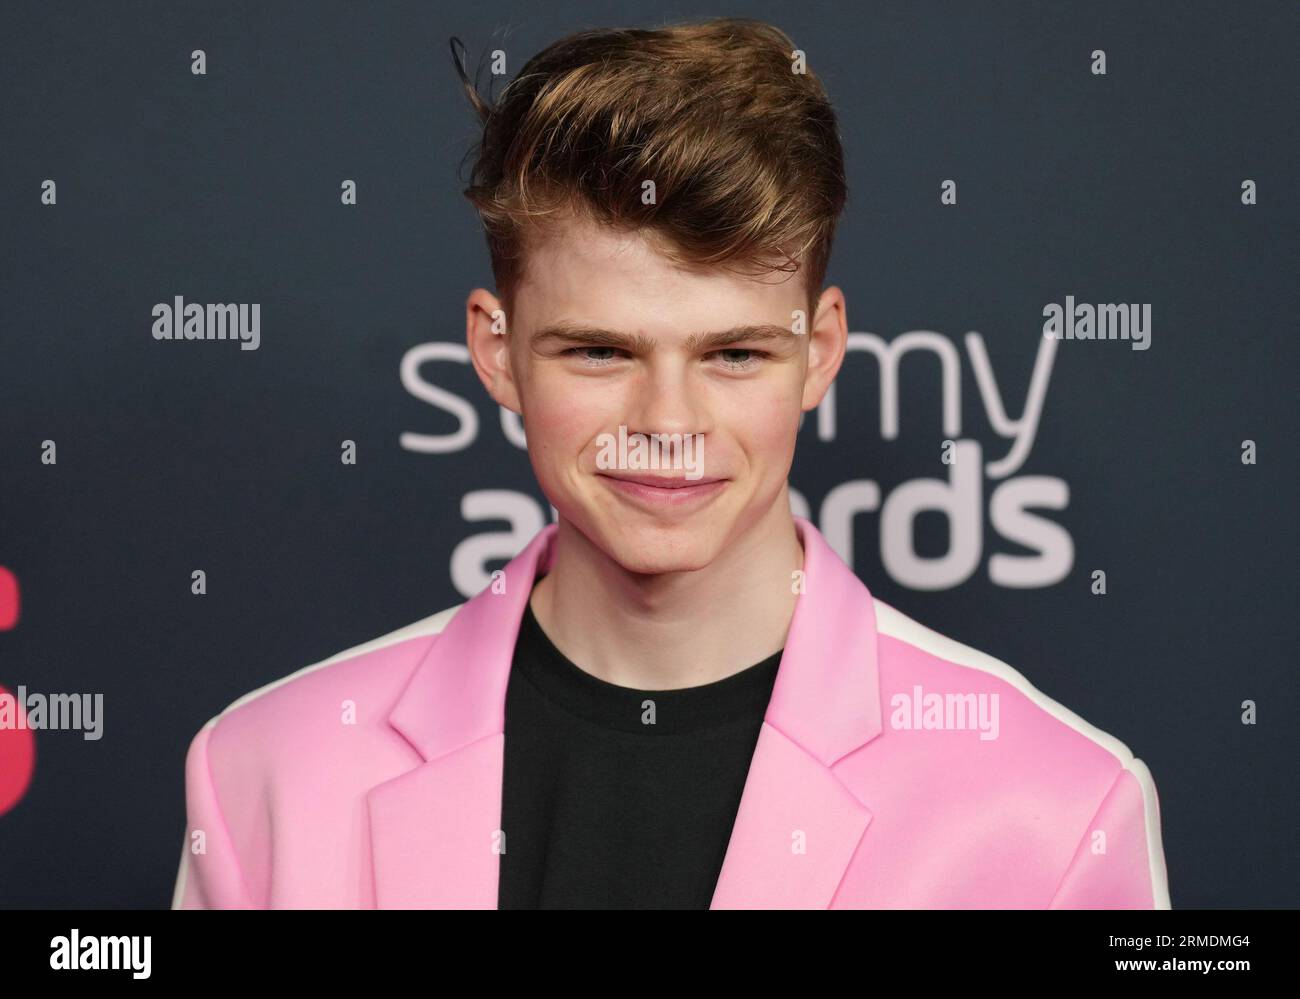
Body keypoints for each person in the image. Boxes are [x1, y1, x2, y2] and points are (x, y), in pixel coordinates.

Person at [171, 16, 1169, 909]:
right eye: (600, 352)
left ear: (818, 353)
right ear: (495, 351)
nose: (666, 423)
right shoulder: (271, 773)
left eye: (735, 354)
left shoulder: (1054, 808)